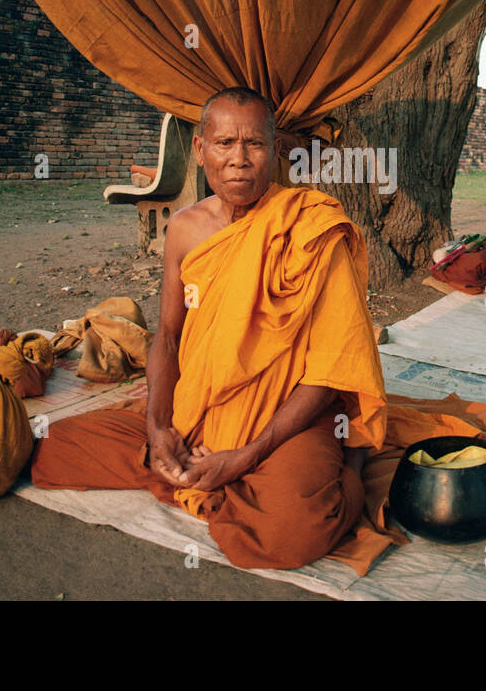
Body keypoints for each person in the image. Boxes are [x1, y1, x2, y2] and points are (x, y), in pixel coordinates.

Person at [31, 86, 387, 569]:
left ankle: (352, 459)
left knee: (290, 535)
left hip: (286, 414)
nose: (239, 159)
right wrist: (158, 427)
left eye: (254, 145)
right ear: (200, 151)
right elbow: (170, 336)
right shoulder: (185, 227)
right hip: (198, 403)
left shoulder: (311, 228)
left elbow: (330, 368)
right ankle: (206, 469)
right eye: (224, 144)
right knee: (54, 450)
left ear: (275, 150)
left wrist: (248, 454)